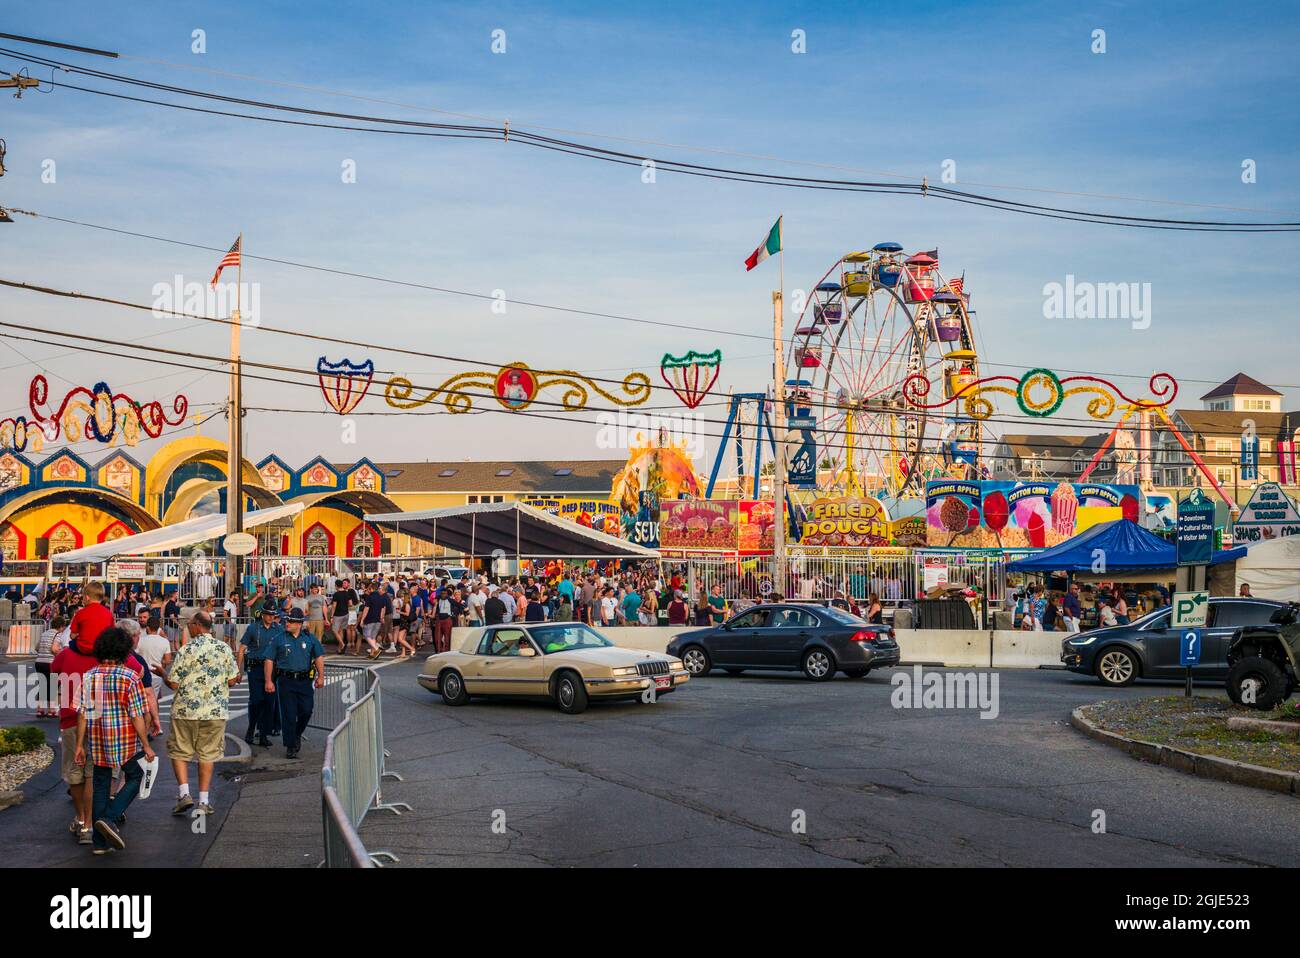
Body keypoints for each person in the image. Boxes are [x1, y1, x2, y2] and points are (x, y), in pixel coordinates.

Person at [73, 626, 157, 855]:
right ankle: (110, 818)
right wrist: (147, 745)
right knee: (136, 775)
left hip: (98, 739)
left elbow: (82, 713)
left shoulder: (90, 676)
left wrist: (79, 745)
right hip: (126, 741)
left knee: (100, 784)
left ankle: (100, 844)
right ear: (124, 650)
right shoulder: (130, 677)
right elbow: (137, 716)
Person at [53, 581, 116, 846]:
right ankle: (91, 823)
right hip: (99, 718)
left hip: (70, 717)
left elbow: (55, 667)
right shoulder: (107, 658)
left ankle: (80, 820)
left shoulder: (68, 653)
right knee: (93, 774)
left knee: (75, 773)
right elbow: (139, 671)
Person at [166, 610, 240, 817]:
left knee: (180, 751)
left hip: (185, 710)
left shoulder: (186, 649)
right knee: (207, 754)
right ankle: (204, 801)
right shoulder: (224, 649)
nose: (188, 628)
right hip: (214, 711)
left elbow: (173, 683)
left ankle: (184, 794)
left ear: (198, 625)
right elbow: (233, 680)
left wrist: (162, 673)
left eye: (189, 624)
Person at [265, 607, 325, 759]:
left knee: (307, 710)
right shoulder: (279, 638)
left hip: (304, 681)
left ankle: (297, 734)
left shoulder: (309, 638)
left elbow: (318, 657)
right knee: (289, 714)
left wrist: (321, 676)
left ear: (299, 624)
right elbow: (269, 660)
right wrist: (268, 681)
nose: (287, 623)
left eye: (290, 621)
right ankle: (291, 745)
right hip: (286, 681)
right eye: (286, 620)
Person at [237, 598, 284, 747]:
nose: (271, 617)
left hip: (272, 670)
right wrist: (237, 670)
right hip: (256, 668)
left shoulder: (278, 629)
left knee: (269, 702)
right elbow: (242, 649)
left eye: (273, 614)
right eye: (268, 614)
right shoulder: (253, 628)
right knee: (256, 700)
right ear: (262, 614)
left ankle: (264, 733)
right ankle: (251, 729)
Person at [35, 615, 66, 717]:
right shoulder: (58, 635)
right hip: (50, 662)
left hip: (39, 662)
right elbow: (54, 649)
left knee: (43, 685)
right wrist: (61, 654)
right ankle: (51, 710)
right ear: (61, 626)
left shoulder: (44, 633)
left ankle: (40, 709)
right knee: (52, 686)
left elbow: (36, 647)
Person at [358, 580, 391, 660]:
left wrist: (362, 619)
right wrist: (381, 617)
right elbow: (383, 608)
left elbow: (366, 609)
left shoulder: (370, 597)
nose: (368, 590)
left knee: (366, 635)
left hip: (370, 618)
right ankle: (372, 654)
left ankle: (376, 649)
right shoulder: (381, 597)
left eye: (369, 588)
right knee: (373, 637)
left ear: (371, 589)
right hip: (378, 619)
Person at [331, 579, 359, 654]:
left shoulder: (336, 594)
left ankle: (342, 644)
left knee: (334, 630)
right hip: (346, 614)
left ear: (336, 586)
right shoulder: (347, 593)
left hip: (338, 614)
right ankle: (340, 648)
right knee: (341, 630)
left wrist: (331, 616)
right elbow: (350, 603)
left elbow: (334, 606)